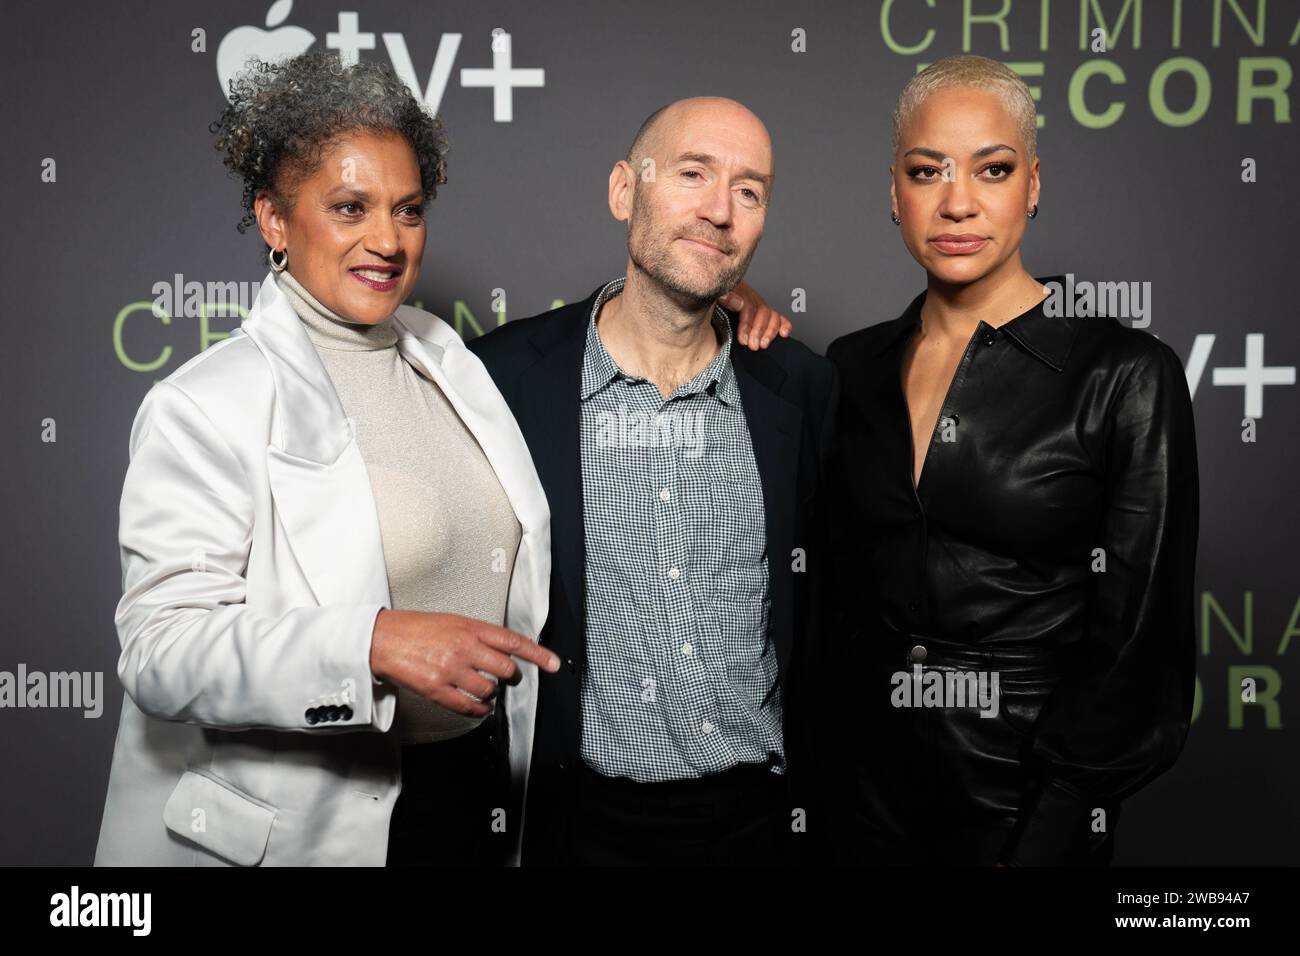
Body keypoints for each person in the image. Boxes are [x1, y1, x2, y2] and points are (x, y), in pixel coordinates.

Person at [94, 50, 562, 867]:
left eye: (408, 211)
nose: (387, 239)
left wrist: (714, 306)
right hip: (313, 827)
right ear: (275, 220)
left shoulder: (448, 360)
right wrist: (370, 644)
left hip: (473, 802)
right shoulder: (204, 404)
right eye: (350, 208)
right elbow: (160, 650)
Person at [819, 54, 1199, 865]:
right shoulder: (848, 368)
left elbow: (1142, 649)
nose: (958, 202)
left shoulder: (1125, 373)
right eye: (928, 171)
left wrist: (1052, 828)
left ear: (1031, 184)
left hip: (1024, 810)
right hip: (853, 806)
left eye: (992, 170)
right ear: (894, 192)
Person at [469, 97, 837, 866]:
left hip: (764, 828)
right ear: (622, 190)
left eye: (749, 191)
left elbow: (833, 613)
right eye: (692, 173)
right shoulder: (503, 379)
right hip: (578, 826)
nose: (719, 211)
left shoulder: (799, 388)